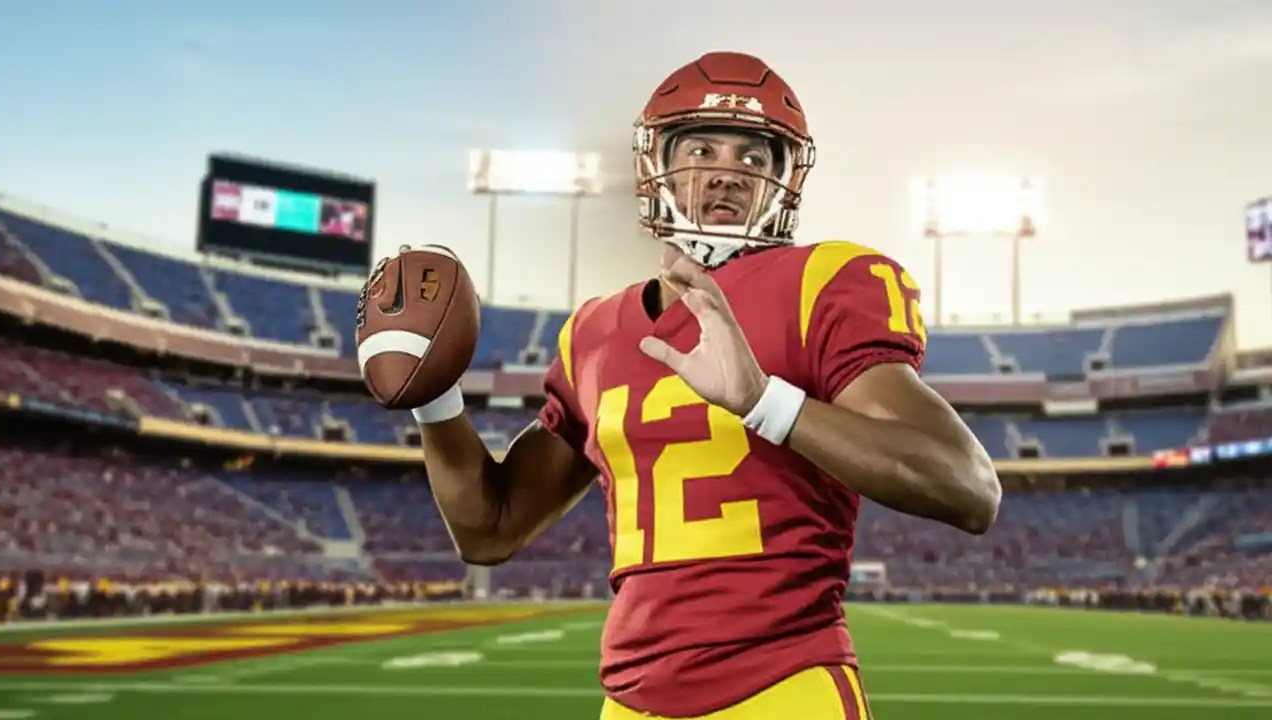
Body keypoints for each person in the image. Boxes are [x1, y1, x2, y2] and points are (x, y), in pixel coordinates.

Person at [410, 51, 1001, 719]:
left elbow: (967, 486)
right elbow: (490, 528)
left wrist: (766, 403)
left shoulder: (824, 283)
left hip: (782, 687)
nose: (727, 172)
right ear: (655, 164)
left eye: (754, 158)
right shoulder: (595, 332)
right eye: (702, 148)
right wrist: (434, 398)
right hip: (628, 702)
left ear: (783, 181)